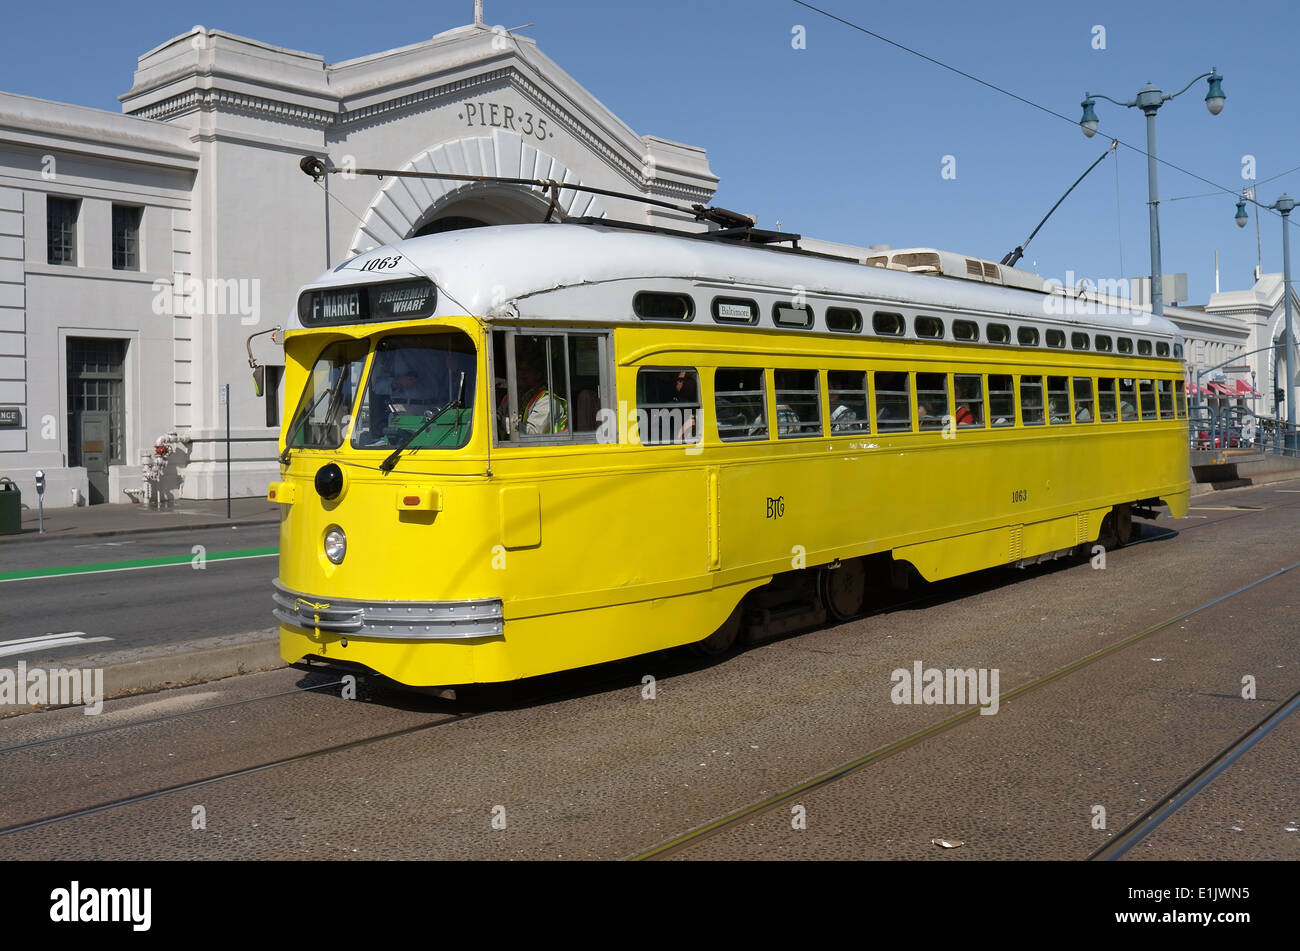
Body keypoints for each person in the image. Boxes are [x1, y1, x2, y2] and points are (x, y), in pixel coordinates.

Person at [515, 345, 568, 435]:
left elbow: (532, 433)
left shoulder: (548, 401)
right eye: (518, 370)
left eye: (525, 370)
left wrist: (506, 423)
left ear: (538, 374)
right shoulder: (519, 397)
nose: (520, 374)